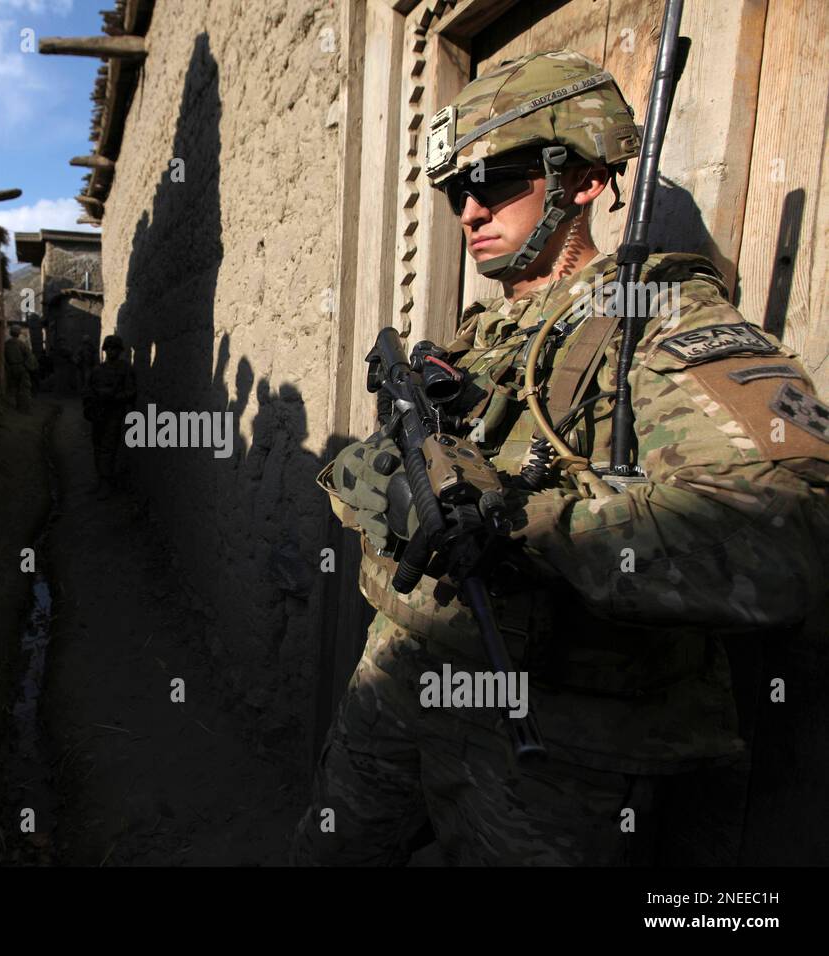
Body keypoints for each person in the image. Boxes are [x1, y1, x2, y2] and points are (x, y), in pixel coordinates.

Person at [293, 50, 829, 866]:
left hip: (553, 742)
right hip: (405, 674)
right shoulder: (485, 333)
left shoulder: (657, 323)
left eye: (496, 177)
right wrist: (381, 486)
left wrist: (522, 521)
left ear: (581, 178)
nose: (469, 210)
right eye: (453, 191)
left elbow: (789, 528)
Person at [84, 334, 137, 498]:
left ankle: (106, 482)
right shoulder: (97, 370)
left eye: (115, 349)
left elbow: (131, 392)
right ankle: (101, 479)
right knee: (98, 447)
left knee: (108, 448)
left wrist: (114, 397)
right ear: (105, 350)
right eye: (109, 348)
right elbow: (88, 391)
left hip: (114, 413)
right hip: (98, 413)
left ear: (120, 351)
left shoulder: (125, 369)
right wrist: (89, 407)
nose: (111, 352)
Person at [3, 324, 36, 412]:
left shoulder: (6, 344)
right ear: (19, 333)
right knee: (25, 388)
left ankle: (16, 406)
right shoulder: (21, 344)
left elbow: (3, 357)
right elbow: (29, 356)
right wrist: (28, 367)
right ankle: (25, 408)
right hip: (21, 368)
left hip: (10, 368)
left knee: (13, 388)